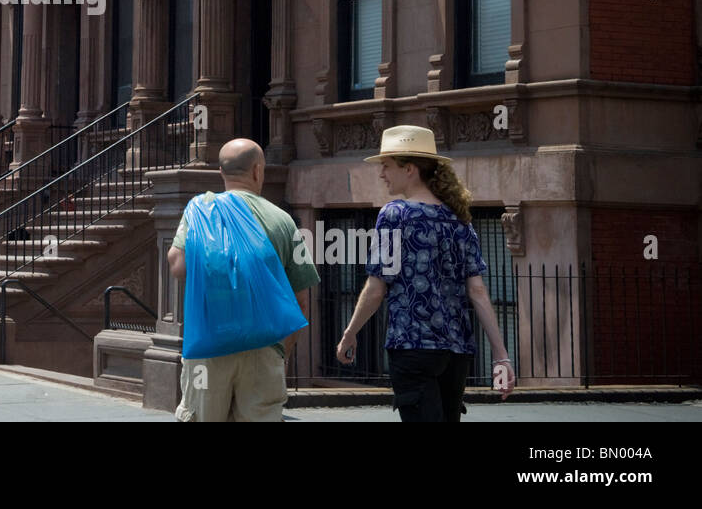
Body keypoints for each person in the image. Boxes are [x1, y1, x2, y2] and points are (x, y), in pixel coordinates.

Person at [335, 125, 515, 421]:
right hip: (456, 351)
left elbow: (377, 287)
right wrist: (501, 355)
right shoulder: (460, 218)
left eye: (386, 166)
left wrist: (350, 333)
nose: (381, 173)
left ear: (409, 169)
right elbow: (478, 291)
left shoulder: (395, 214)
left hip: (412, 346)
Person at [167, 138, 319, 422]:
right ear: (258, 171)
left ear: (221, 173)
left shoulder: (199, 211)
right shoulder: (283, 220)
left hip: (207, 351)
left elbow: (177, 266)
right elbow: (301, 302)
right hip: (264, 352)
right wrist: (280, 355)